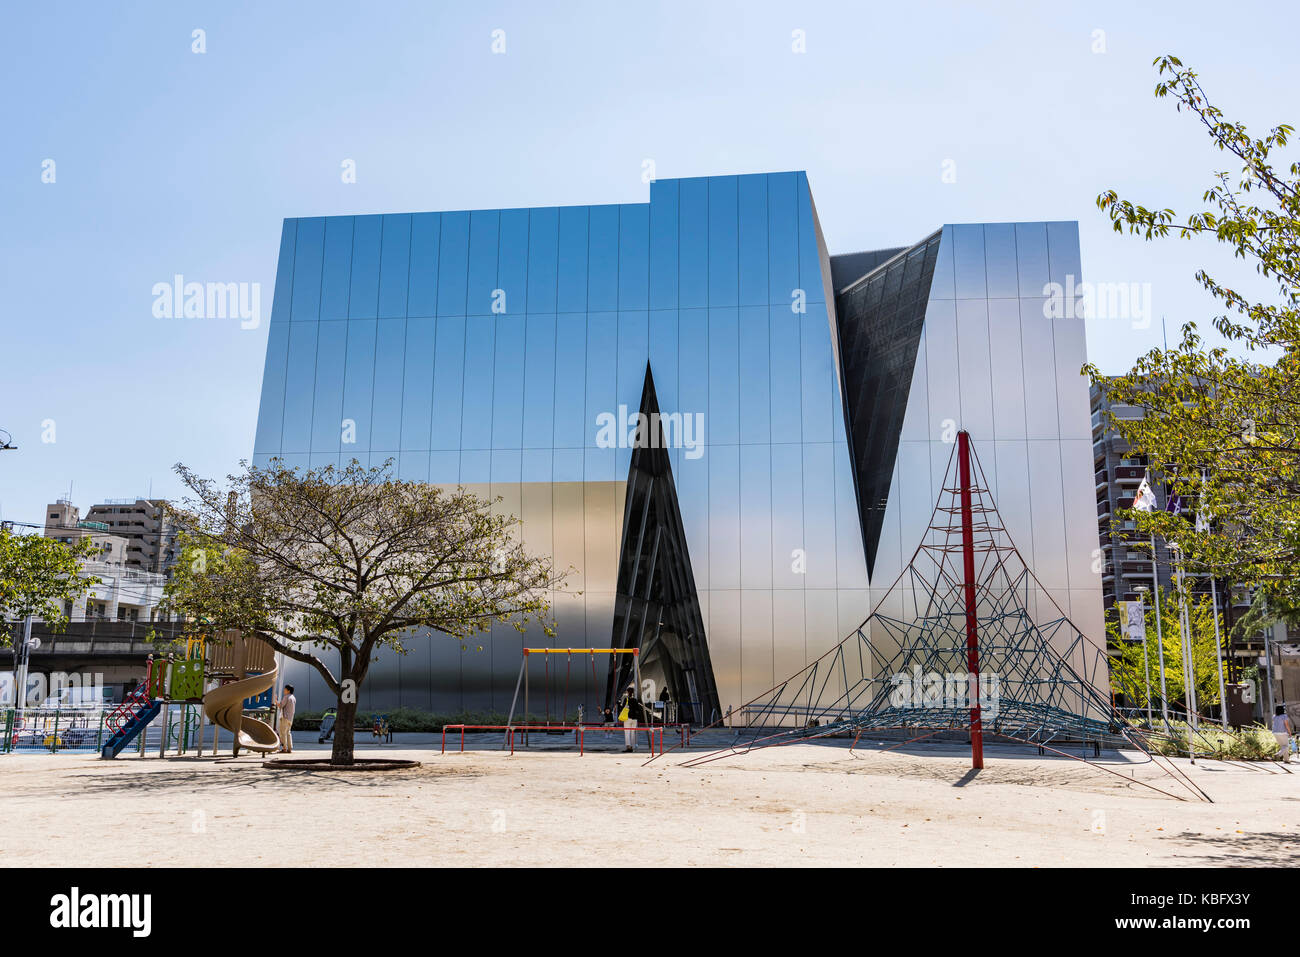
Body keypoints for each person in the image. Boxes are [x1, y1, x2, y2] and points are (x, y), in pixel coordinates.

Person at [618, 683, 646, 753]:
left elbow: (622, 708)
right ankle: (633, 746)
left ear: (627, 692)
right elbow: (638, 709)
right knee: (633, 732)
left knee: (627, 732)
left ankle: (628, 747)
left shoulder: (626, 699)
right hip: (634, 719)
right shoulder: (635, 700)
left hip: (628, 718)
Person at [276, 684, 296, 754]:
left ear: (288, 690)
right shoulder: (293, 698)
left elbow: (281, 705)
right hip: (290, 718)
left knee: (282, 733)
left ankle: (284, 748)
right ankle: (289, 748)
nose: (284, 690)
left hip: (285, 717)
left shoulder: (286, 697)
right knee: (288, 733)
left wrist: (275, 701)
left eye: (285, 689)